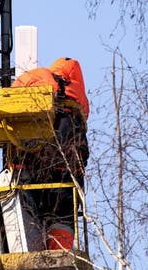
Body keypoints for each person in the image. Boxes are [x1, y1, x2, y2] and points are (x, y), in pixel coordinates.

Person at [11, 57, 89, 251]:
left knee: (27, 210)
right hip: (66, 174)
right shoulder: (80, 102)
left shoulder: (37, 77)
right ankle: (59, 253)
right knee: (62, 217)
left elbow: (10, 100)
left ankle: (28, 250)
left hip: (28, 166)